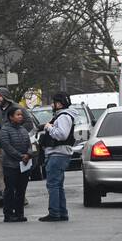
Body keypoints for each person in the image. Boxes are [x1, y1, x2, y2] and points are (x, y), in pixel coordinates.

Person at [38, 92, 77, 222]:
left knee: (53, 184)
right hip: (58, 153)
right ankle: (61, 212)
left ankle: (54, 213)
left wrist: (49, 128)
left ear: (59, 103)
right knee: (58, 185)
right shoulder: (62, 116)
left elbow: (62, 135)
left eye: (53, 102)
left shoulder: (63, 117)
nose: (52, 105)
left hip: (57, 154)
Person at [0, 105, 33, 222]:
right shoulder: (4, 130)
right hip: (10, 165)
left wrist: (28, 154)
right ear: (11, 117)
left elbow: (29, 144)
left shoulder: (23, 130)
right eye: (18, 115)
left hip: (24, 166)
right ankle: (8, 214)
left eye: (21, 115)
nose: (20, 117)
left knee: (21, 190)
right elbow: (7, 147)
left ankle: (19, 213)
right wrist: (20, 156)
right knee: (10, 190)